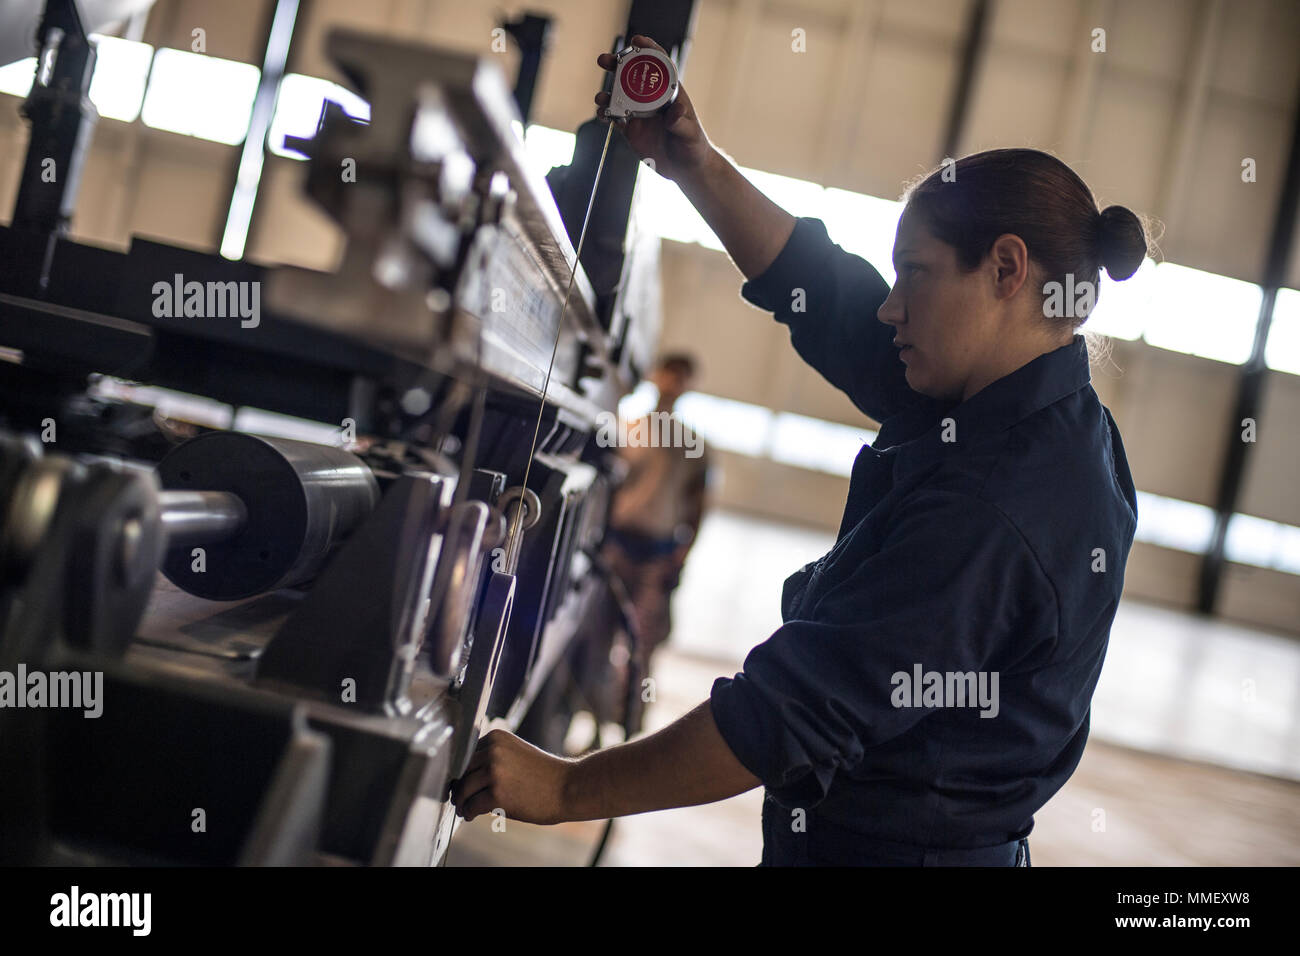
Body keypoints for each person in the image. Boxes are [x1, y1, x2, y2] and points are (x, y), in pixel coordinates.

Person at [451, 35, 1144, 867]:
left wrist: (569, 790)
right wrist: (694, 164)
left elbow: (787, 714)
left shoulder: (1003, 503)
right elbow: (827, 297)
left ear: (1005, 268)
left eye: (914, 274)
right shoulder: (1010, 405)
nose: (891, 309)